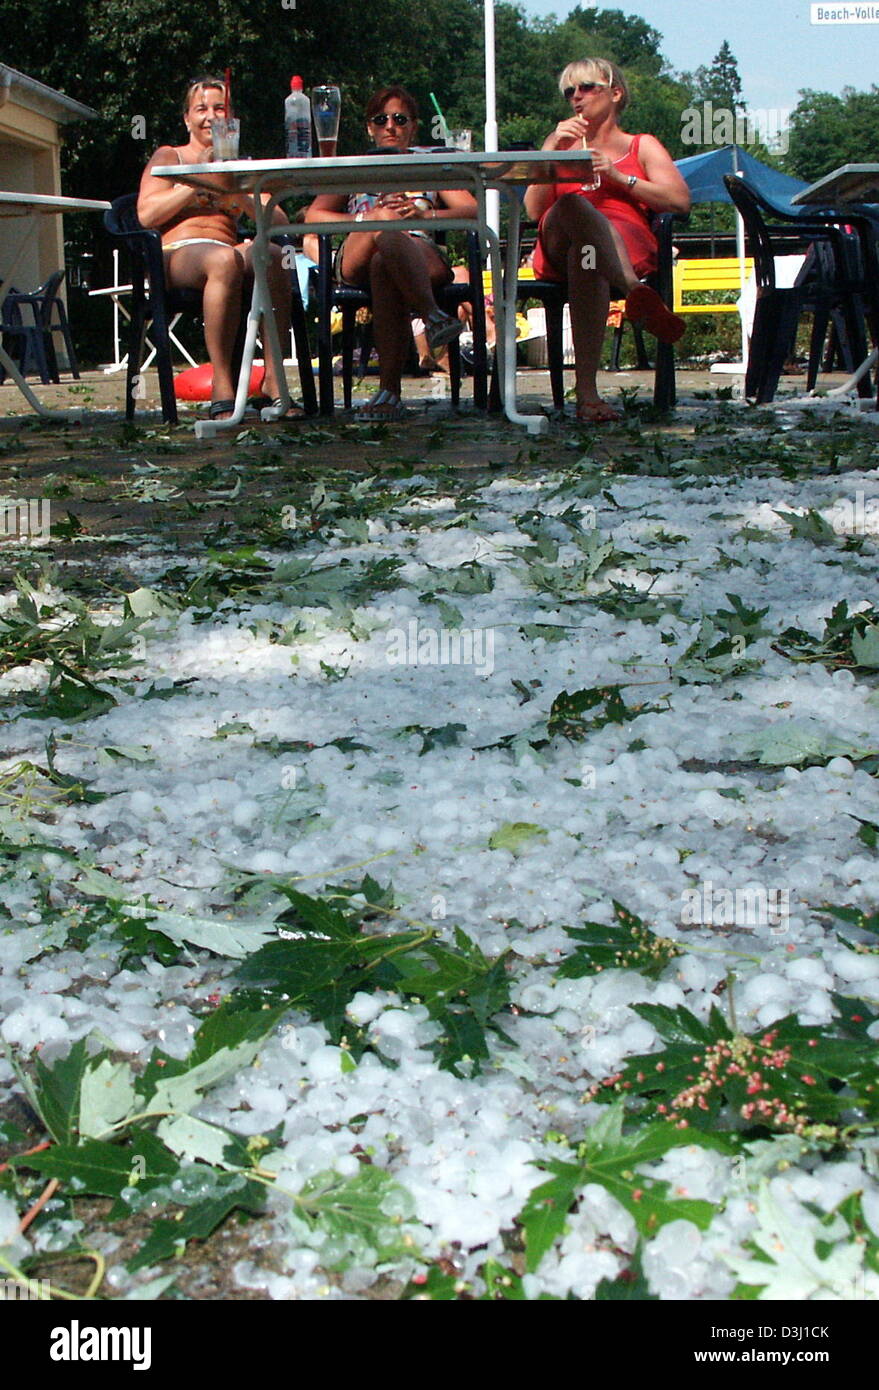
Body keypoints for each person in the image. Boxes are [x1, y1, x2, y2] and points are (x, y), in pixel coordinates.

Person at [524, 58, 691, 423]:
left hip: (608, 250)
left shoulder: (640, 145)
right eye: (570, 91)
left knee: (588, 259)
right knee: (572, 204)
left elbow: (679, 200)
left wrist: (618, 177)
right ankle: (634, 290)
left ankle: (588, 397)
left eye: (586, 87)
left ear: (615, 93)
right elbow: (535, 211)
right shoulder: (560, 146)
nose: (576, 97)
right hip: (560, 239)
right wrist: (551, 149)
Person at [305, 86, 478, 421]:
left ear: (413, 126)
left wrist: (423, 215)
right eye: (381, 119)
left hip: (416, 250)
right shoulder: (354, 166)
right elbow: (313, 216)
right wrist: (365, 218)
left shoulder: (429, 166)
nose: (390, 126)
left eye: (400, 119)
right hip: (358, 249)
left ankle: (389, 394)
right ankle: (432, 314)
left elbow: (473, 211)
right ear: (369, 127)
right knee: (383, 223)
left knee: (386, 262)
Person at [137, 76, 303, 420]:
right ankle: (222, 383)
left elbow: (282, 221)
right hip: (177, 253)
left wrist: (237, 190)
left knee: (273, 255)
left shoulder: (240, 165)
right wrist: (198, 180)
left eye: (219, 108)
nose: (210, 116)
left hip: (225, 250)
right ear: (187, 118)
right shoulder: (171, 156)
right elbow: (146, 214)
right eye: (201, 108)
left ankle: (275, 380)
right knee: (223, 260)